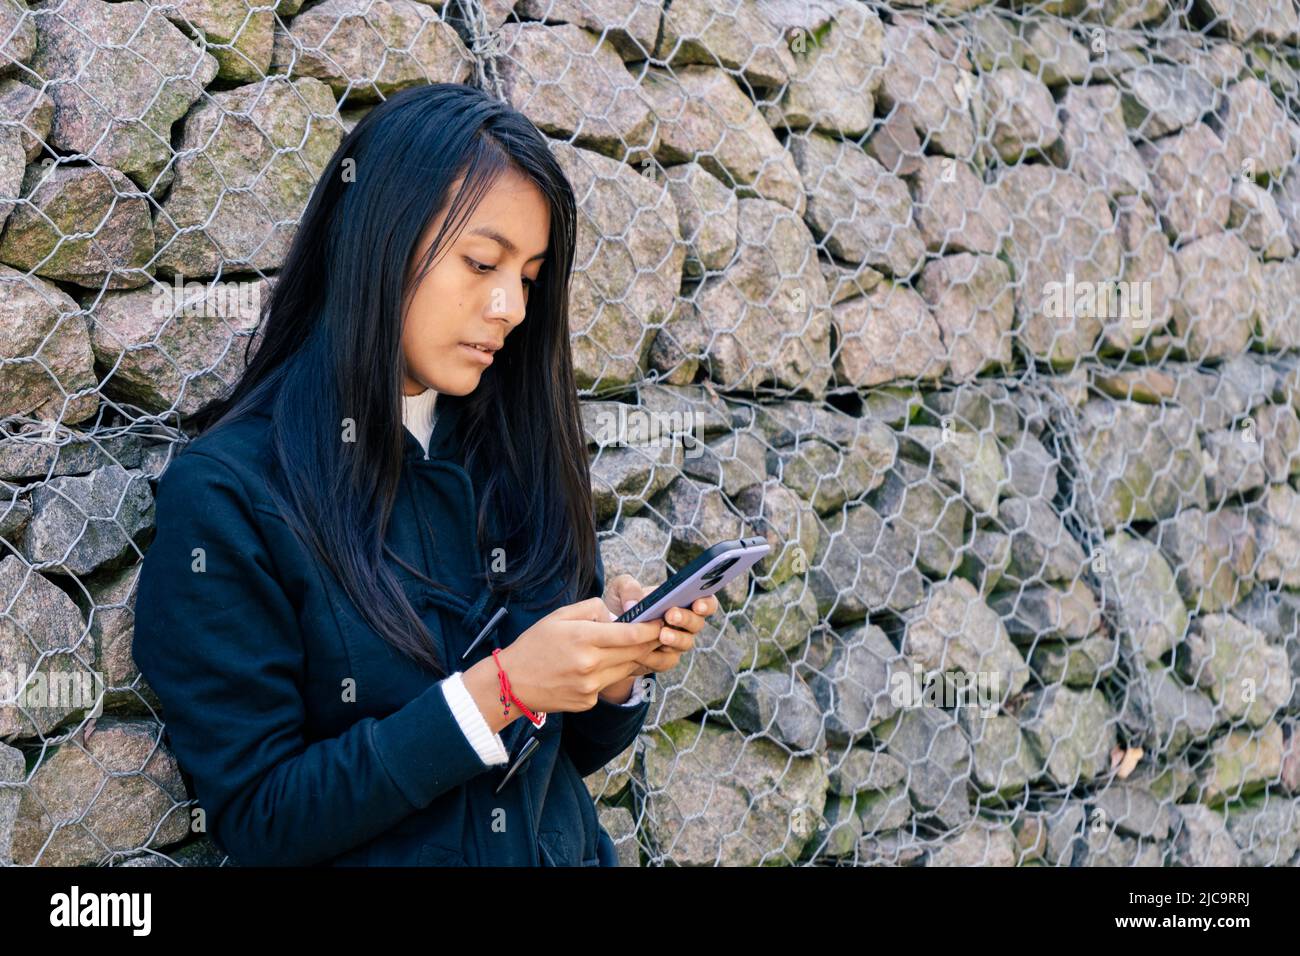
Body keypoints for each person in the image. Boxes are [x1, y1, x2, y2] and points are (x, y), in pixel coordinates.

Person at [131, 82, 719, 867]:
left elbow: (551, 768)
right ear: (377, 237)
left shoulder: (516, 452)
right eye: (481, 262)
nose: (510, 305)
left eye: (531, 276)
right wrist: (499, 689)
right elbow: (264, 820)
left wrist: (611, 674)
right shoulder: (232, 496)